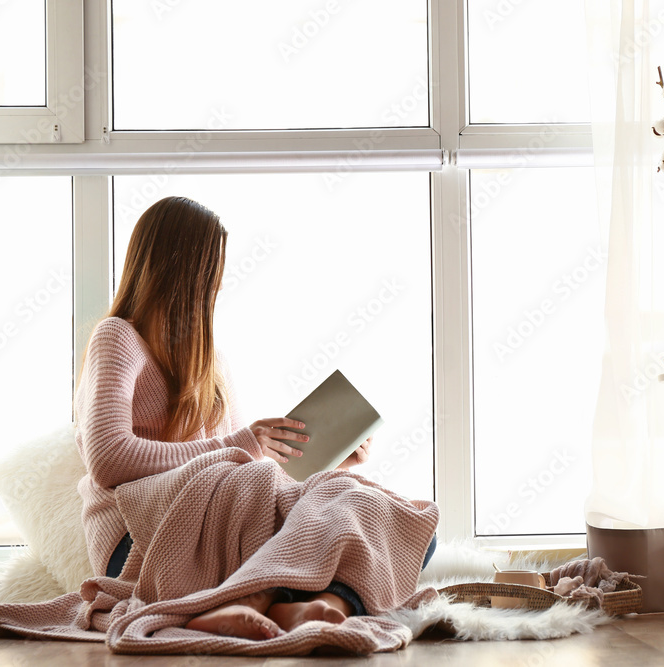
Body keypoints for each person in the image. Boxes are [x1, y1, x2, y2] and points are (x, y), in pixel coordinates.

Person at [74, 196, 436, 641]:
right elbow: (109, 460)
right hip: (139, 539)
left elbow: (248, 481)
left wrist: (330, 462)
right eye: (211, 273)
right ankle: (257, 598)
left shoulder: (214, 365)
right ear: (177, 269)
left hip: (218, 524)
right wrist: (246, 443)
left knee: (399, 520)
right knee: (281, 492)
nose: (218, 286)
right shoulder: (118, 338)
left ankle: (314, 605)